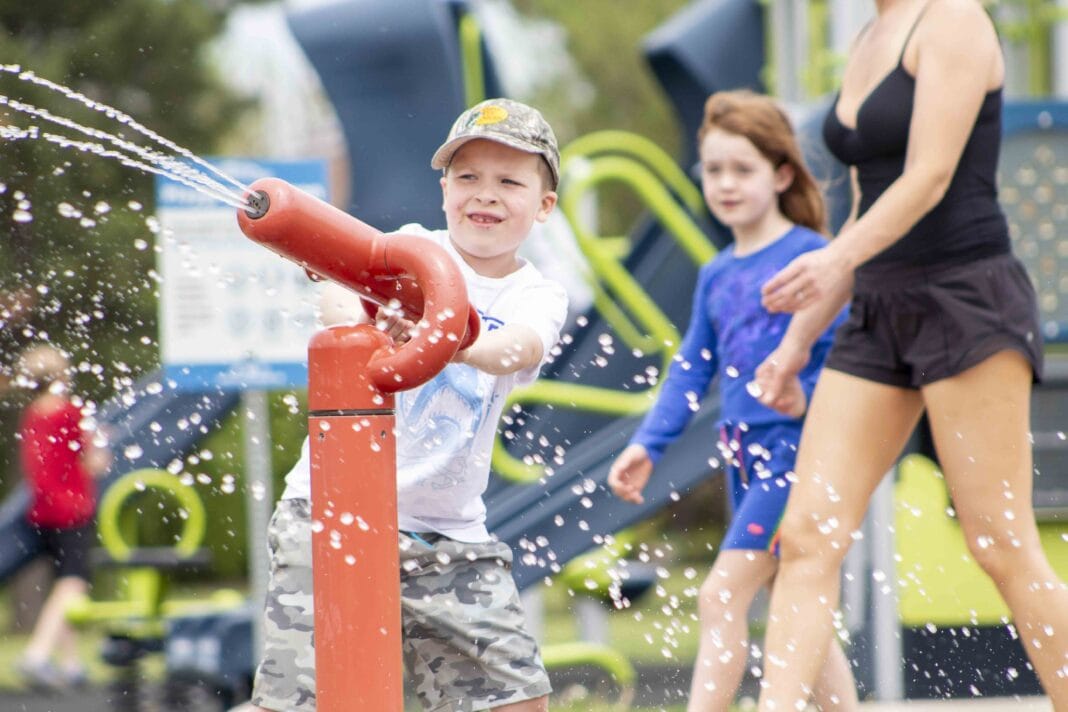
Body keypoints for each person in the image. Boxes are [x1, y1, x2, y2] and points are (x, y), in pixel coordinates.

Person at [752, 1, 1068, 709]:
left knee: (1000, 545)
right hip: (878, 310)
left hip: (966, 300)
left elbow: (927, 177)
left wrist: (833, 260)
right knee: (806, 538)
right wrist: (799, 339)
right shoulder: (871, 34)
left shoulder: (953, 21)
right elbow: (869, 202)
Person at [248, 98, 568, 712]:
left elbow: (518, 346)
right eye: (468, 177)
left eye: (509, 181)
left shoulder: (536, 292)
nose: (486, 194)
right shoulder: (410, 250)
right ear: (444, 187)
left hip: (445, 534)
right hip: (330, 513)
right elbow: (341, 297)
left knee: (515, 698)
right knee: (302, 700)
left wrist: (453, 342)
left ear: (543, 205)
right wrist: (368, 329)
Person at [607, 90, 857, 712]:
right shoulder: (716, 274)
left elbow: (854, 363)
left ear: (780, 174)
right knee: (795, 602)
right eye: (714, 170)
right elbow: (690, 368)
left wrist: (807, 395)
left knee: (721, 596)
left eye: (742, 169)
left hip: (797, 458)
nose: (725, 184)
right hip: (744, 460)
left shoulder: (812, 259)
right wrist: (648, 444)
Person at [13, 344, 110, 690]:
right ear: (61, 376)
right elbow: (95, 462)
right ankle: (37, 653)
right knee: (74, 582)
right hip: (72, 509)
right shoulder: (70, 412)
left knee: (61, 583)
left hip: (43, 509)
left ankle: (70, 663)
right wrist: (102, 444)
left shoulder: (33, 414)